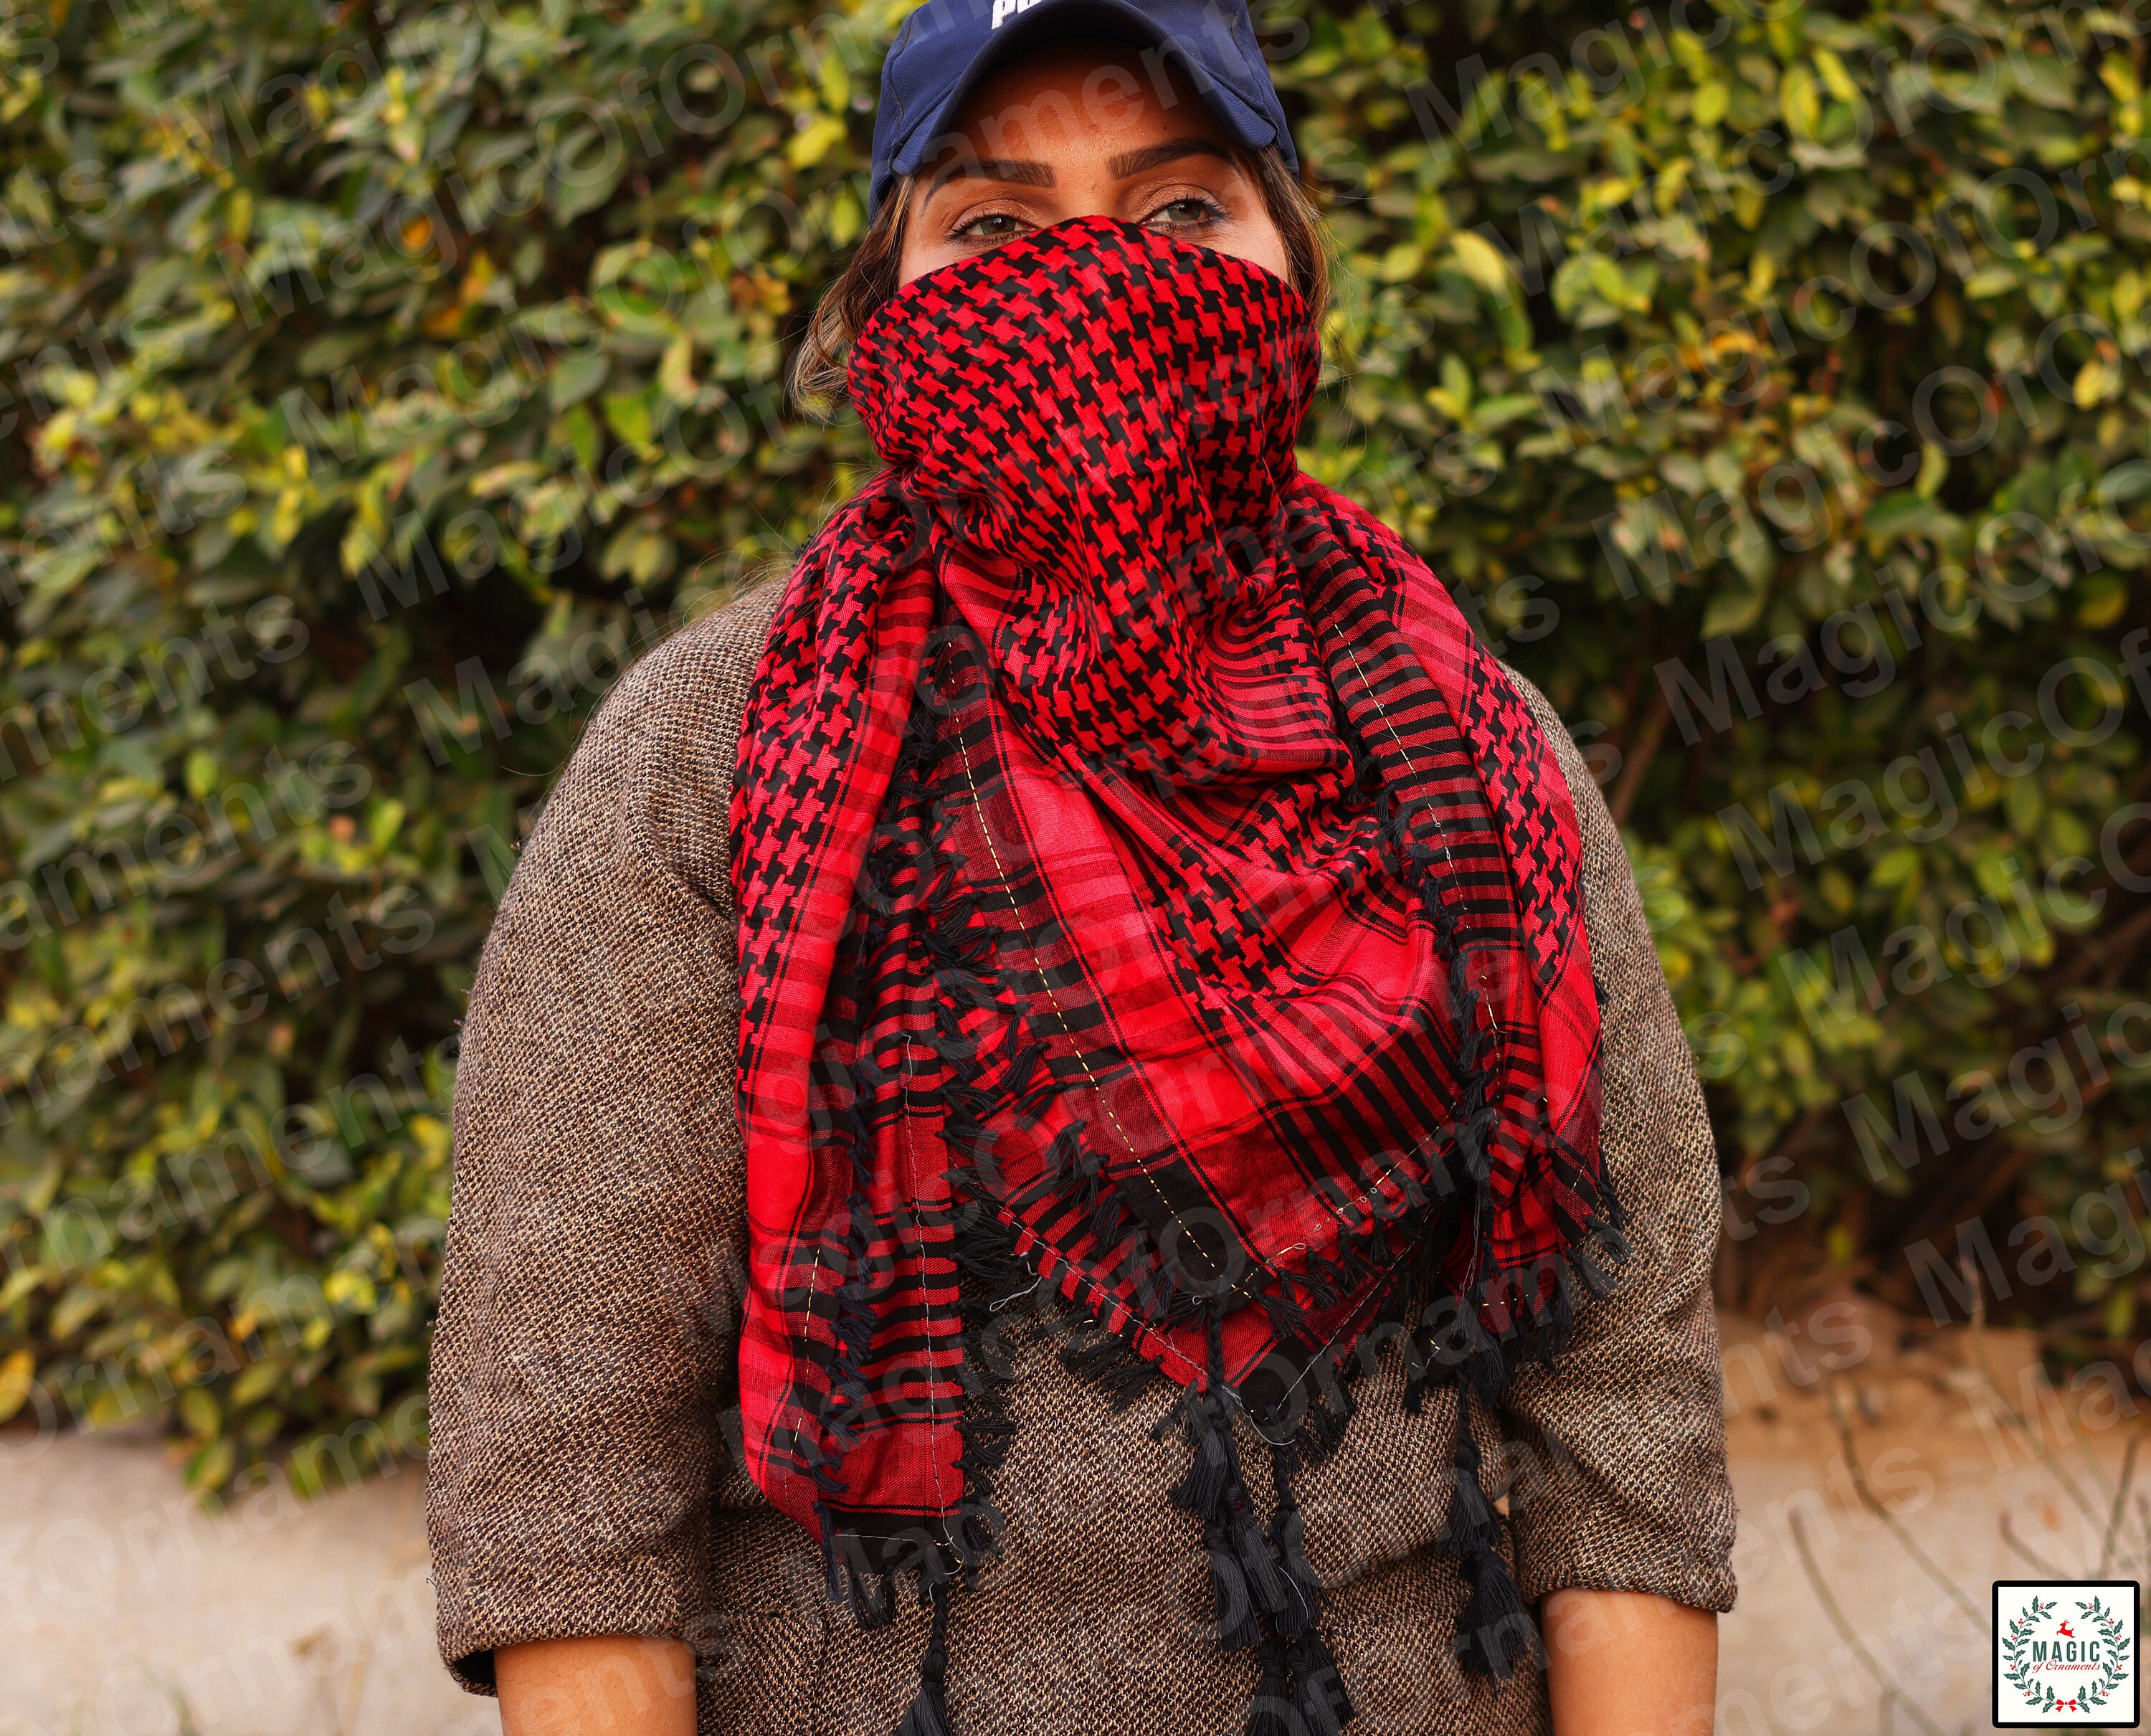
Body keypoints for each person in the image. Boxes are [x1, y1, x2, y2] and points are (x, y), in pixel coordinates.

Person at [424, 1, 1737, 1732]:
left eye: (1183, 212)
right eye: (992, 228)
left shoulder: (1467, 742)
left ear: (1299, 280)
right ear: (880, 312)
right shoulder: (712, 747)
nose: (1096, 281)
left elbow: (1622, 1394)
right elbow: (566, 1460)